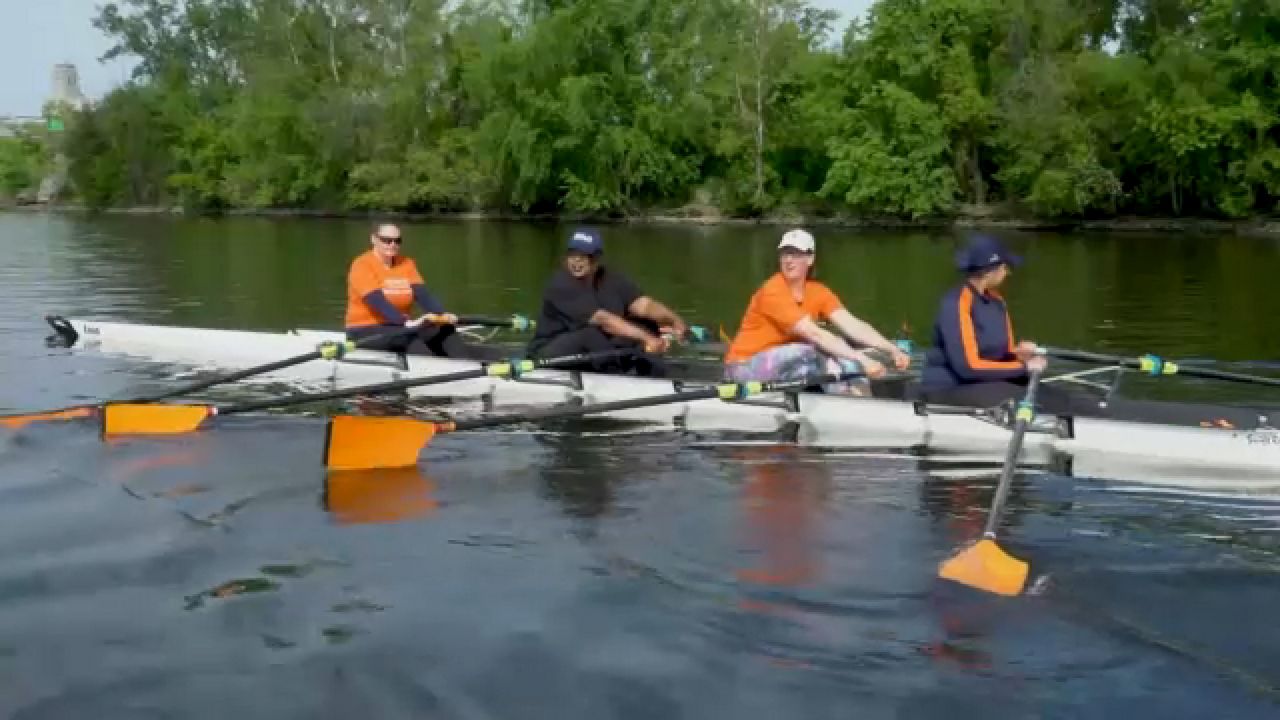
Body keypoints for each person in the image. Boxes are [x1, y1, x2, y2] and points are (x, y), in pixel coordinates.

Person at [722, 228, 911, 396]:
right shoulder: (772, 291)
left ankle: (860, 402)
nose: (789, 260)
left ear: (810, 258)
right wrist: (862, 358)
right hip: (742, 367)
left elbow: (854, 326)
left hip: (789, 363)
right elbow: (814, 334)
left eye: (796, 254)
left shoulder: (818, 291)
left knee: (843, 352)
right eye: (785, 254)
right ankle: (843, 401)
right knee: (812, 351)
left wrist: (891, 349)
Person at [526, 227, 690, 377]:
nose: (576, 262)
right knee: (591, 333)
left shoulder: (611, 279)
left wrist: (675, 321)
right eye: (572, 255)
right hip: (548, 352)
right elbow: (605, 321)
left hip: (593, 350)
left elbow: (644, 305)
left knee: (648, 324)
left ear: (596, 259)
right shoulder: (561, 284)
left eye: (583, 257)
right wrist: (648, 340)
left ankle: (653, 374)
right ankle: (617, 379)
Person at [918, 233, 1051, 408]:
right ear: (989, 271)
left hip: (983, 383)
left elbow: (1005, 353)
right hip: (949, 388)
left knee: (1056, 397)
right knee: (1032, 402)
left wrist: (1021, 356)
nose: (1007, 273)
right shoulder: (956, 303)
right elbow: (968, 367)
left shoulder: (997, 301)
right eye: (1005, 268)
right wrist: (1024, 368)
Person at [344, 222, 465, 357]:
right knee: (409, 339)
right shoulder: (362, 264)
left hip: (400, 327)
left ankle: (465, 364)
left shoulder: (407, 263)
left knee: (445, 329)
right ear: (374, 239)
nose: (392, 244)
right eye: (386, 240)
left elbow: (423, 295)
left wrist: (441, 315)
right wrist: (404, 322)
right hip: (365, 330)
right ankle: (429, 367)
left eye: (397, 241)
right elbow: (377, 301)